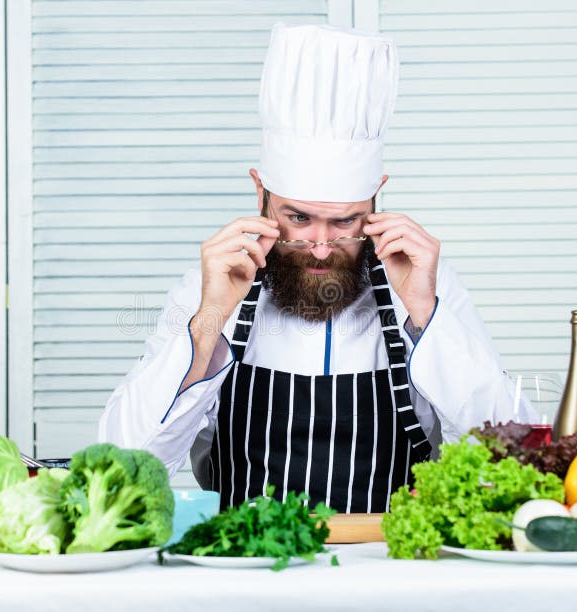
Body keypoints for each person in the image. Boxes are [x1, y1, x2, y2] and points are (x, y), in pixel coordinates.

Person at [99, 23, 532, 512]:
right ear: (260, 193)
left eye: (345, 220)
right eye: (299, 218)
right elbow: (124, 465)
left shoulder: (424, 284)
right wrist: (207, 327)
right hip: (246, 566)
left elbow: (514, 461)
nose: (322, 248)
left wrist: (426, 318)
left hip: (393, 571)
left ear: (376, 198)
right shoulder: (211, 288)